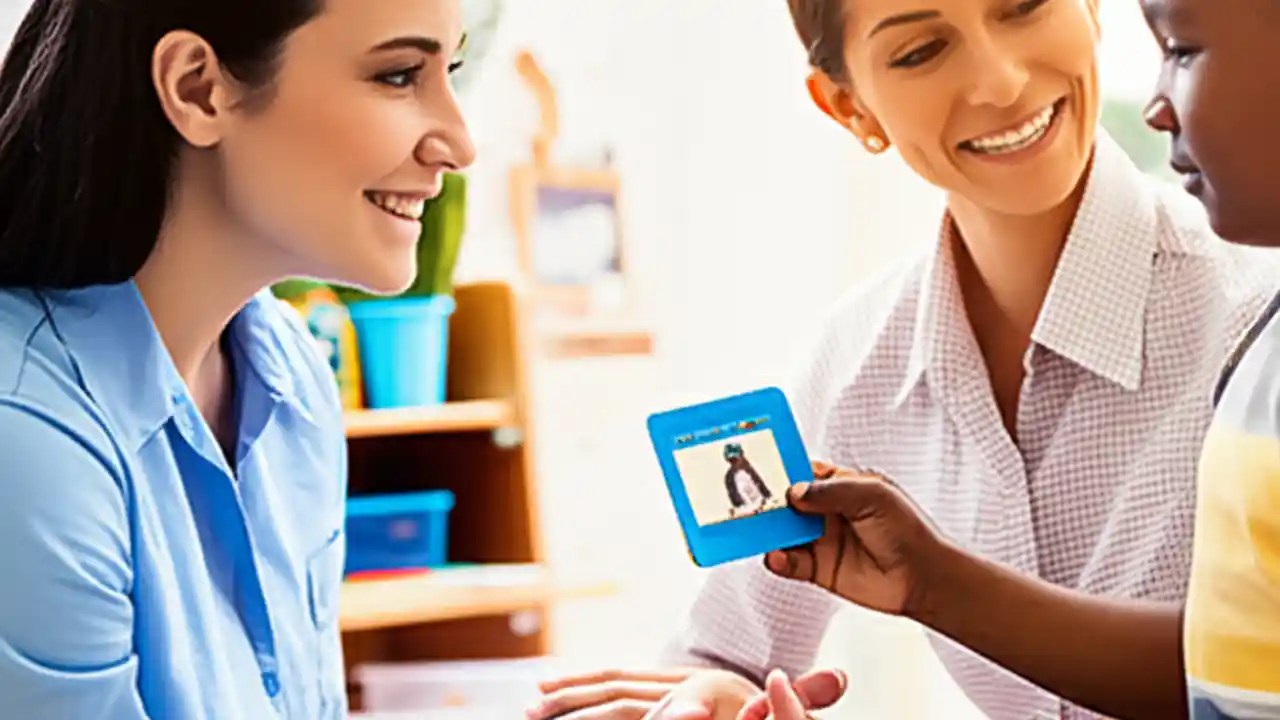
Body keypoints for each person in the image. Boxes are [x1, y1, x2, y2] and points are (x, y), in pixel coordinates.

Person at [529, 0, 1280, 717]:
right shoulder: (857, 358)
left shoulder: (1255, 319)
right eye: (922, 51)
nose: (1001, 81)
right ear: (849, 109)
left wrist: (939, 585)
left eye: (1024, 6)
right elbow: (726, 658)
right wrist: (722, 698)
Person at [0, 0, 473, 718]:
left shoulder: (291, 380)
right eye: (400, 74)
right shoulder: (25, 434)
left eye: (452, 71)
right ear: (197, 88)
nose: (460, 142)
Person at [723, 443, 771, 515]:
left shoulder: (749, 469)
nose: (734, 463)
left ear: (741, 455)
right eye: (731, 460)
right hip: (748, 510)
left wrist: (768, 499)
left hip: (763, 505)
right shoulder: (729, 477)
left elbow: (763, 488)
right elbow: (736, 500)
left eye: (735, 459)